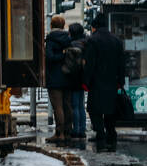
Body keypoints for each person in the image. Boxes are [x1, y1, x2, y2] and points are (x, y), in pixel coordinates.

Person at [83, 12, 127, 151]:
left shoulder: (92, 40)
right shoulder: (116, 40)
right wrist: (120, 80)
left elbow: (90, 63)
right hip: (112, 81)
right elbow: (122, 63)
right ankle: (111, 132)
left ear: (94, 27)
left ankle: (100, 132)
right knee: (110, 108)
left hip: (97, 81)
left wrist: (86, 81)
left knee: (94, 108)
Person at [44, 15, 73, 143]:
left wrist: (59, 55)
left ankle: (59, 133)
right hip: (67, 76)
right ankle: (67, 132)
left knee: (58, 107)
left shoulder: (50, 39)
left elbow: (50, 57)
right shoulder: (68, 38)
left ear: (52, 25)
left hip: (54, 77)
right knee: (67, 105)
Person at [64, 22, 88, 142]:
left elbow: (69, 66)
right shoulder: (86, 43)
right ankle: (82, 130)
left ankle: (76, 130)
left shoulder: (71, 46)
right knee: (81, 105)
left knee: (74, 106)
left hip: (73, 79)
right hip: (83, 78)